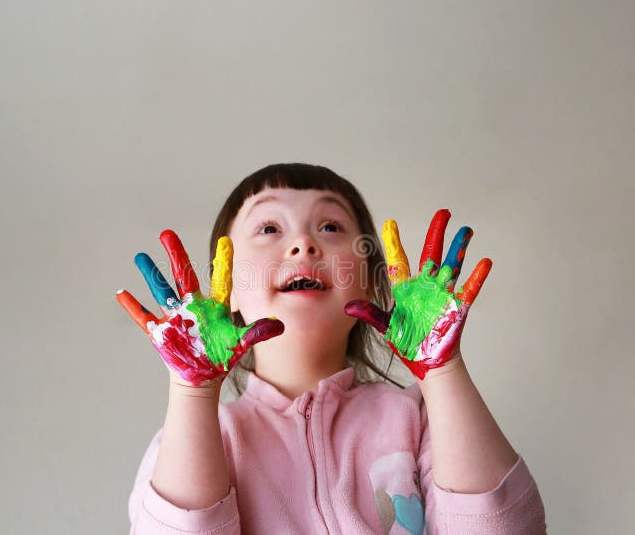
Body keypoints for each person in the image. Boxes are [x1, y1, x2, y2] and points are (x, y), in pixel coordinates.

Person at [116, 163, 547, 534]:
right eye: (269, 228)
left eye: (330, 226)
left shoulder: (419, 422)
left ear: (370, 277)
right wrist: (193, 393)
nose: (304, 244)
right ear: (223, 286)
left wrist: (442, 372)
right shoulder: (199, 438)